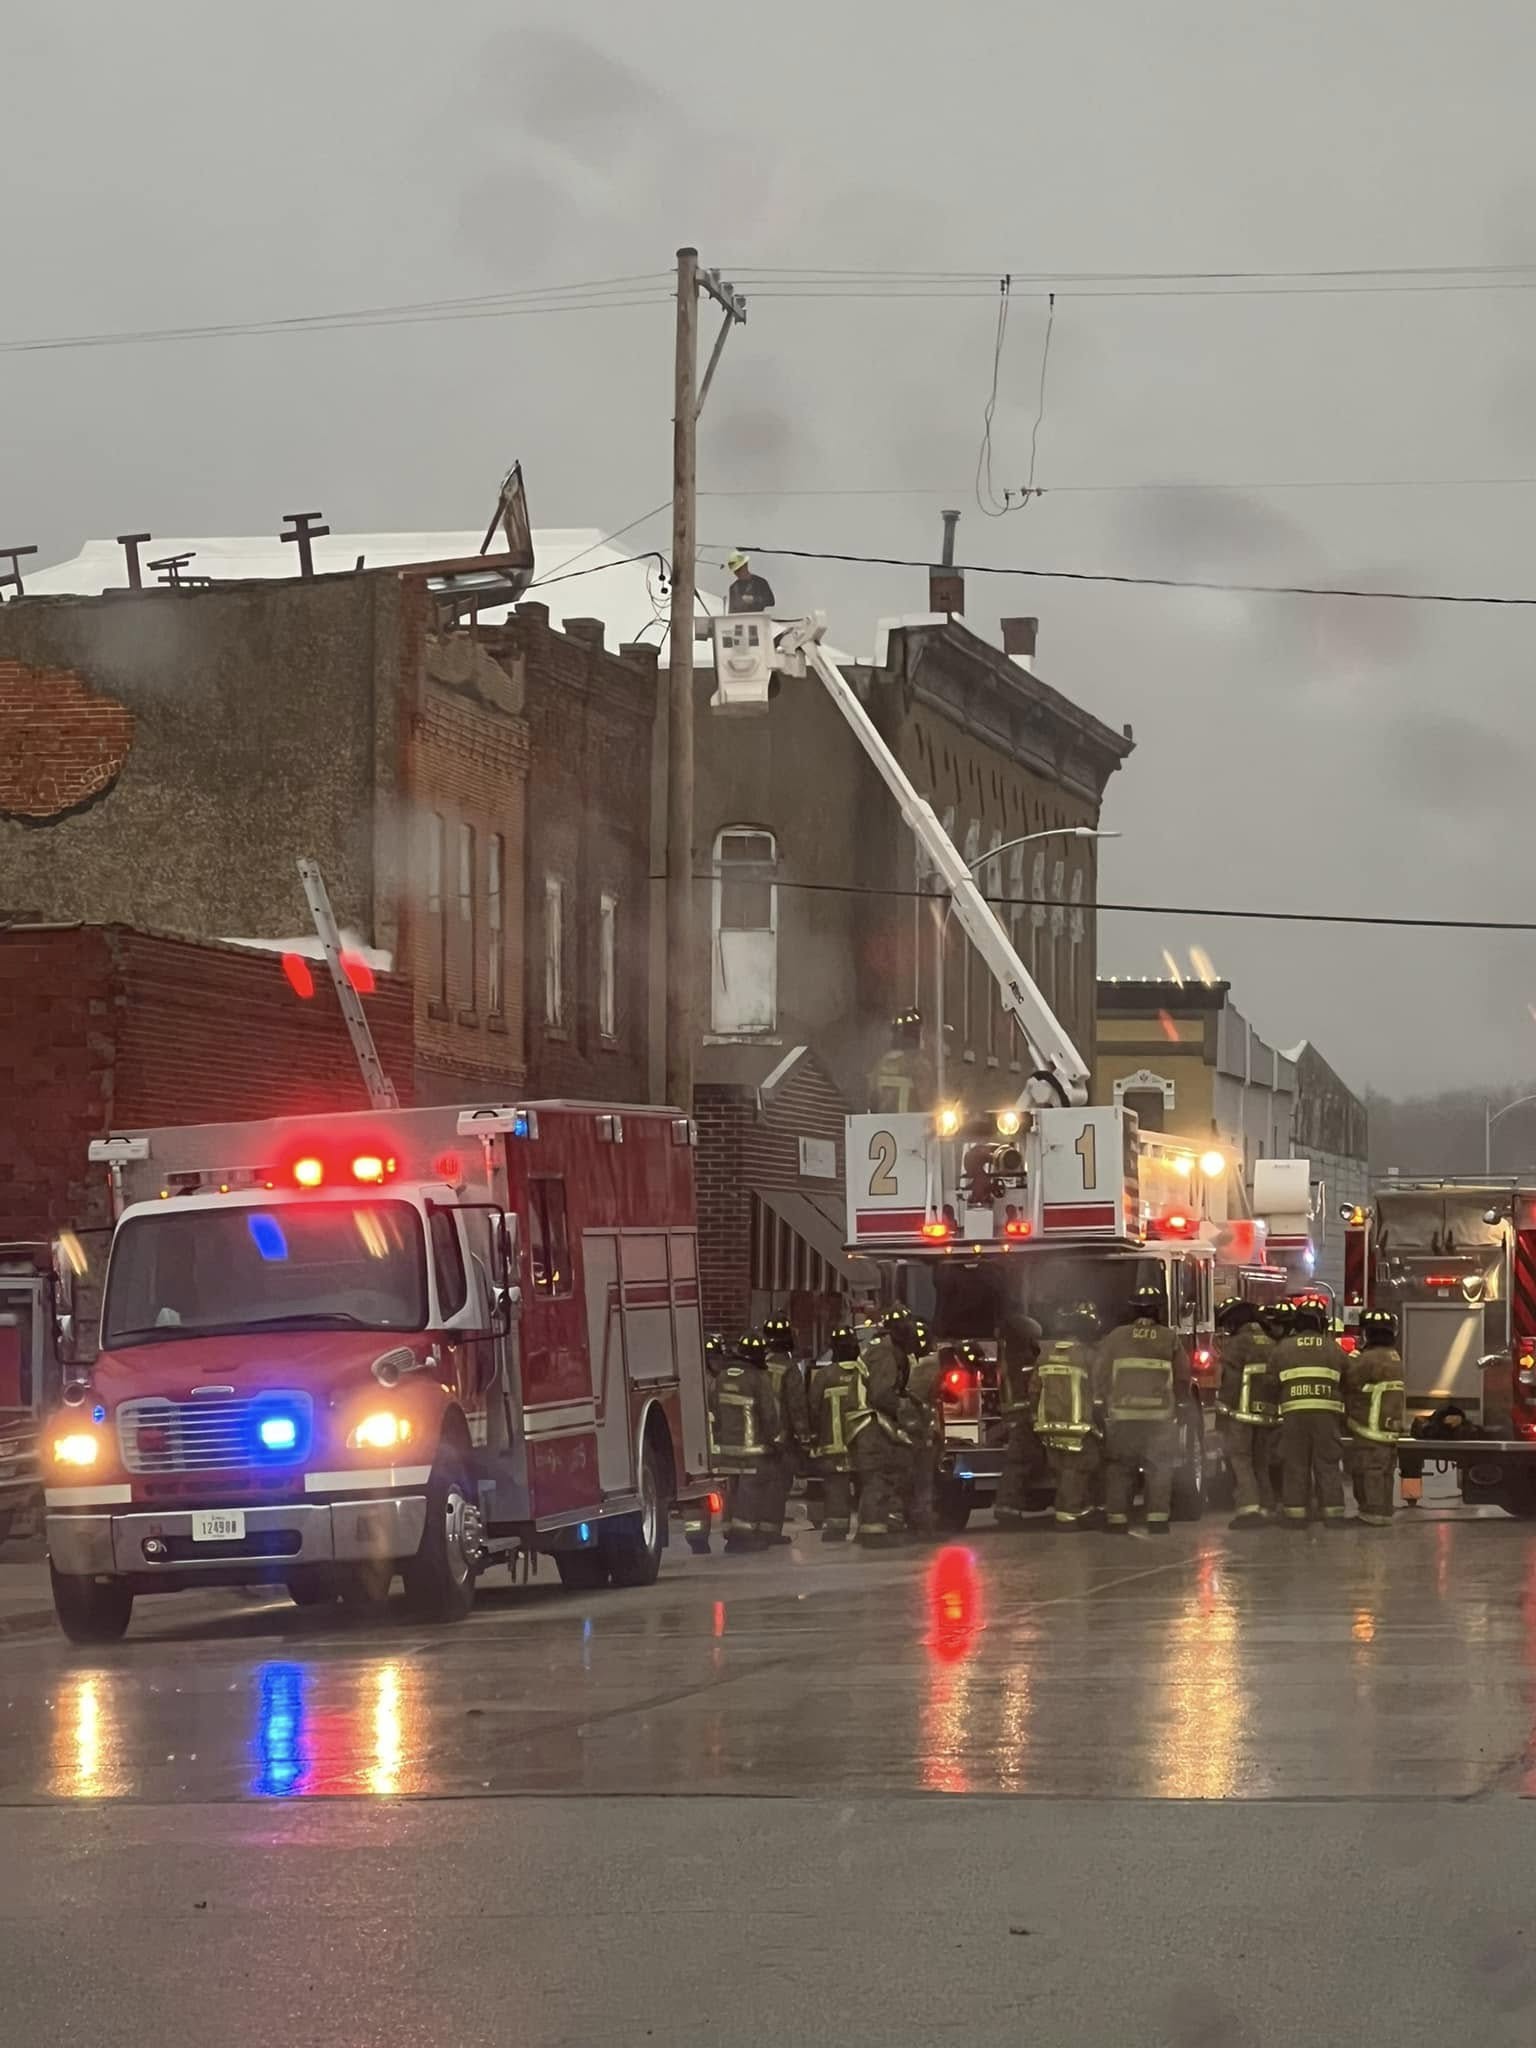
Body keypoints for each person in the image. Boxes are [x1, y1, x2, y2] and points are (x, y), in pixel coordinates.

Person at [1094, 1284, 1191, 1535]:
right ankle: (1157, 1520)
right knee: (1159, 1467)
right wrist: (1181, 1405)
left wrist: (1100, 1403)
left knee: (1119, 1467)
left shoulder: (1116, 1337)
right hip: (1159, 1417)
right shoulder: (1169, 1338)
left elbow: (1100, 1373)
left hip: (1122, 1416)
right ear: (1159, 1310)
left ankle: (1117, 1520)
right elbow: (1182, 1376)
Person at [1272, 1301, 1349, 1528]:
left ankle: (1295, 1516)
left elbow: (1270, 1380)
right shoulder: (1333, 1348)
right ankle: (1333, 1514)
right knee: (1327, 1462)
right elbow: (1349, 1379)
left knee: (1295, 1463)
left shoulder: (1284, 1348)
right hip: (1327, 1415)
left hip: (1293, 1415)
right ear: (1321, 1323)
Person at [707, 1334, 783, 1552]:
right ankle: (744, 1536)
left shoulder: (720, 1378)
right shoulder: (758, 1379)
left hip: (725, 1449)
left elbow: (713, 1410)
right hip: (752, 1450)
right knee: (750, 1491)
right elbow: (769, 1415)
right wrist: (776, 1442)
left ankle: (730, 1532)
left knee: (732, 1491)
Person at [1033, 1302, 1102, 1530]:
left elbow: (1033, 1389)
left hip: (1048, 1424)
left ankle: (1079, 1509)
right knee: (1079, 1467)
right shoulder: (1087, 1355)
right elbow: (1098, 1390)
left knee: (1061, 1469)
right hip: (1077, 1426)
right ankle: (1068, 1514)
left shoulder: (1045, 1354)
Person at [1215, 1298, 1280, 1530]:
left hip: (1241, 1417)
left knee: (1241, 1461)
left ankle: (1249, 1509)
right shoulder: (1272, 1343)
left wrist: (1222, 1412)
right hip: (1268, 1415)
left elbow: (1229, 1383)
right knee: (1261, 1463)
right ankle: (1267, 1507)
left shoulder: (1235, 1345)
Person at [849, 1316, 913, 1548]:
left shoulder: (881, 1350)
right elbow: (881, 1395)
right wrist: (905, 1410)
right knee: (878, 1474)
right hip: (869, 1422)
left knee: (878, 1474)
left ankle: (875, 1526)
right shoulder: (886, 1355)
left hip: (866, 1421)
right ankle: (872, 1533)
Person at [1344, 1310, 1405, 1527]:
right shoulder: (1394, 1356)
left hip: (1369, 1426)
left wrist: (1350, 1359)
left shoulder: (1367, 1359)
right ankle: (1384, 1510)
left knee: (1369, 1469)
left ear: (1367, 1333)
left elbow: (1348, 1381)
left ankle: (1372, 1513)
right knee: (1385, 1470)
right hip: (1388, 1426)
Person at [807, 1325, 863, 1541]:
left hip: (832, 1446)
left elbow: (813, 1408)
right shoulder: (863, 1372)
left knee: (836, 1489)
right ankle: (868, 1528)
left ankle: (837, 1529)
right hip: (863, 1444)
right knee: (867, 1487)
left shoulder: (823, 1376)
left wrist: (811, 1438)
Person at [760, 1314, 810, 1544]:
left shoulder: (756, 1364)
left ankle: (754, 1529)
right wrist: (804, 1435)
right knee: (778, 1485)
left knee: (754, 1484)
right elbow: (796, 1405)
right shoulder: (789, 1369)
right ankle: (771, 1531)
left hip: (755, 1434)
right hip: (781, 1437)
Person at [994, 1312, 1045, 1527]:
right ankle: (1007, 1507)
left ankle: (1009, 1506)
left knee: (1021, 1458)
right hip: (1022, 1416)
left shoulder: (1008, 1356)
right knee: (1022, 1459)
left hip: (1012, 1415)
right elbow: (1032, 1390)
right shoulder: (1024, 1360)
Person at [900, 1317, 945, 1538]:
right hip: (917, 1430)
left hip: (907, 1429)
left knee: (912, 1478)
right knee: (921, 1479)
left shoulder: (901, 1360)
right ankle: (922, 1525)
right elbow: (920, 1400)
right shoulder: (928, 1365)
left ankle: (911, 1521)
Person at [686, 1332, 730, 1553]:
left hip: (701, 1450)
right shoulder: (713, 1382)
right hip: (711, 1449)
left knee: (699, 1493)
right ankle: (700, 1539)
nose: (718, 1363)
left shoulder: (692, 1378)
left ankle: (697, 1539)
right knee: (708, 1492)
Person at [867, 1010, 934, 1114]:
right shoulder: (923, 1065)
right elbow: (930, 1103)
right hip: (915, 1126)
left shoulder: (880, 1065)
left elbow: (872, 1101)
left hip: (887, 1127)